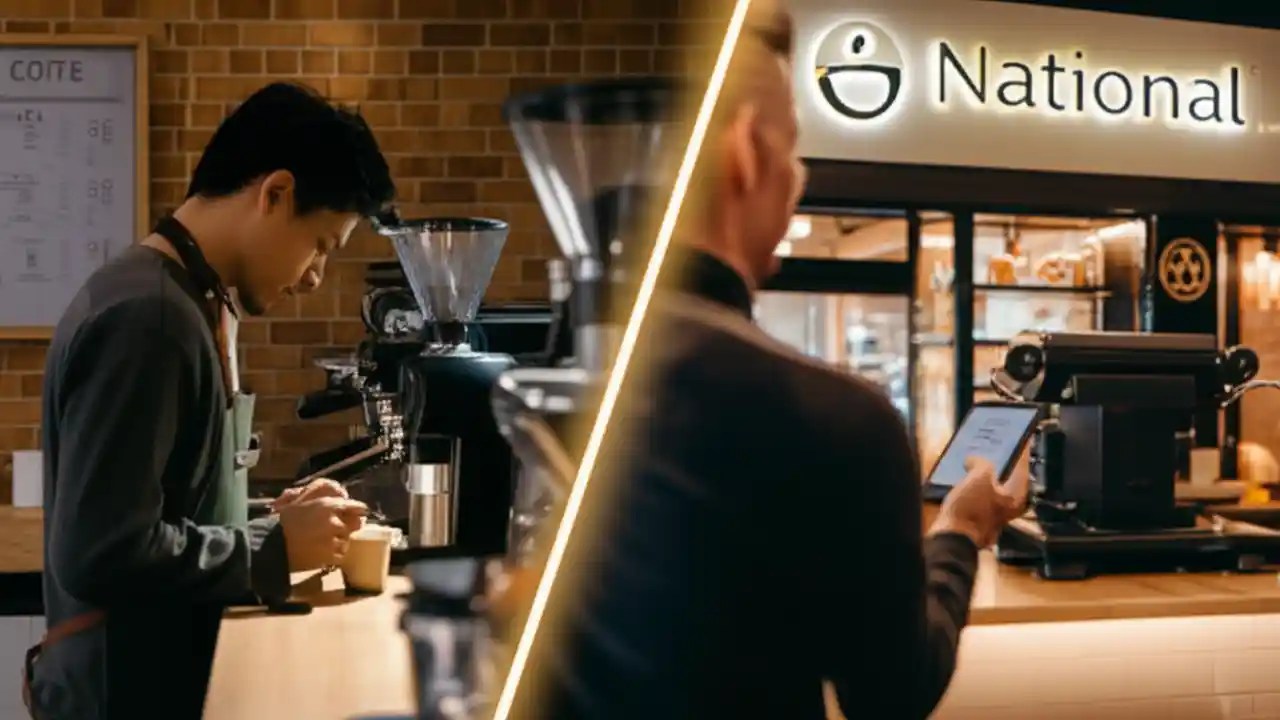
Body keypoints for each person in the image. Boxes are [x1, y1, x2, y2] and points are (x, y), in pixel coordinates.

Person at [519, 3, 1030, 719]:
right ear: (744, 152)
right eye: (792, 147)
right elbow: (891, 694)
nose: (799, 179)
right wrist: (962, 531)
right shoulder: (837, 421)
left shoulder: (557, 380)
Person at [29, 82, 396, 720]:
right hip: (124, 696)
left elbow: (168, 500)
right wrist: (273, 547)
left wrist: (270, 521)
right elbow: (101, 552)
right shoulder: (150, 318)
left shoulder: (193, 302)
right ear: (275, 194)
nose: (314, 277)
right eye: (321, 245)